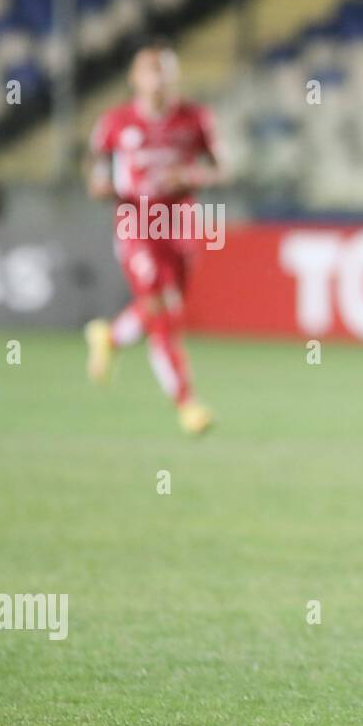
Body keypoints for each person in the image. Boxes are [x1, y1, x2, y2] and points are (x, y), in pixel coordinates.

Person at [85, 40, 223, 435]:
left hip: (180, 222)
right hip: (135, 221)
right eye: (150, 70)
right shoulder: (114, 122)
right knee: (163, 308)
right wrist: (100, 185)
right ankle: (187, 404)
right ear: (134, 78)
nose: (158, 78)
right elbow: (95, 168)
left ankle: (109, 336)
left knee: (164, 299)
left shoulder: (196, 118)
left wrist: (191, 176)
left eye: (164, 70)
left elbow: (220, 167)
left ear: (175, 76)